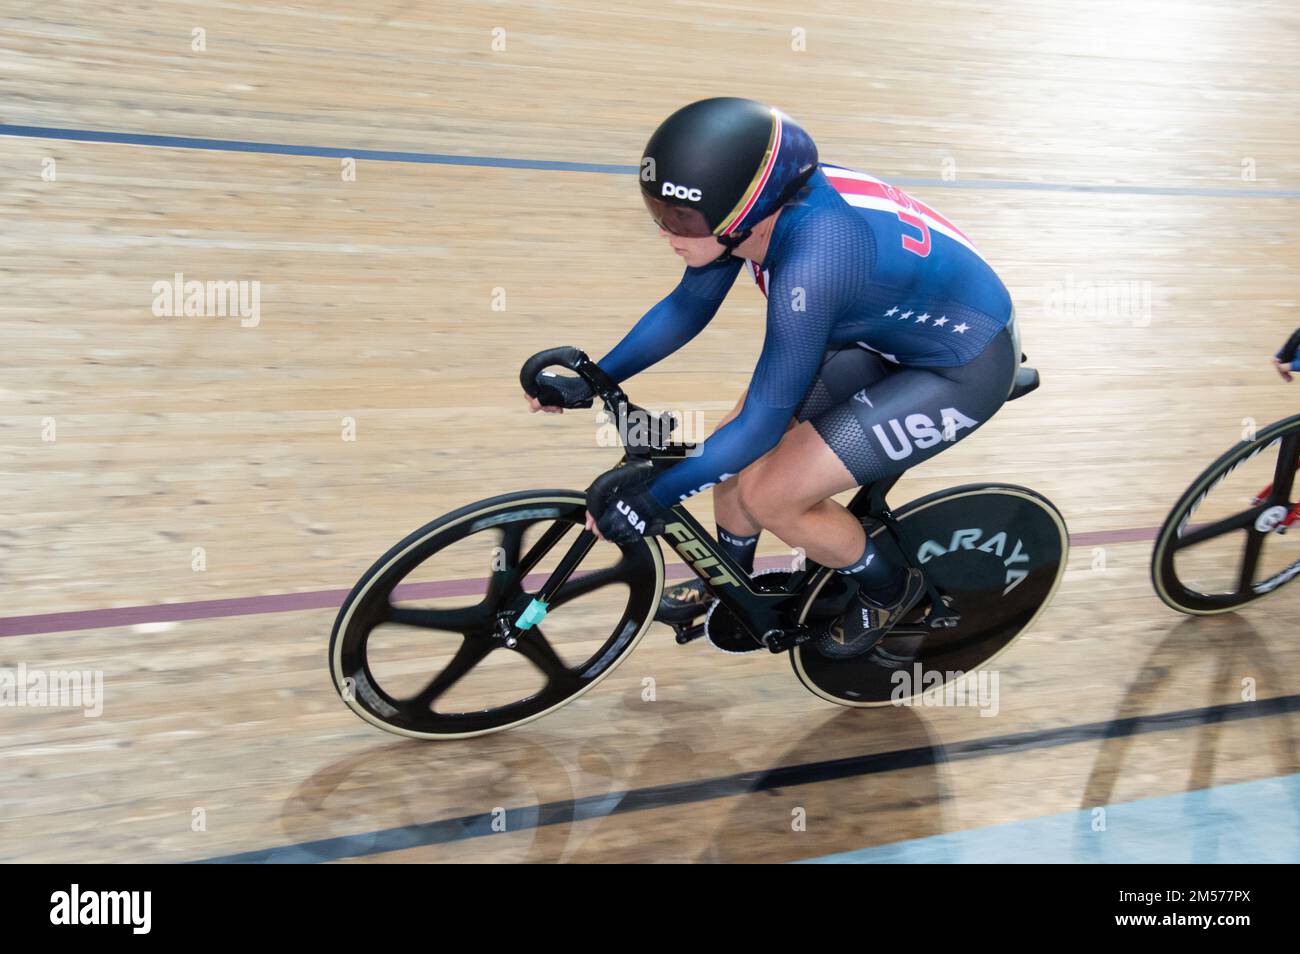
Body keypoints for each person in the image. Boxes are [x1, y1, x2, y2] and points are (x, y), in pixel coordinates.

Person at [523, 97, 1020, 657]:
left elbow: (763, 424)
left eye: (681, 219)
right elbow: (689, 307)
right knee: (728, 449)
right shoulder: (764, 210)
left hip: (960, 368)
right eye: (657, 212)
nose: (666, 232)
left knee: (772, 493)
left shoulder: (817, 260)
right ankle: (729, 583)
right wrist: (595, 377)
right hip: (880, 333)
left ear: (742, 215)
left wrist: (652, 499)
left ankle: (891, 590)